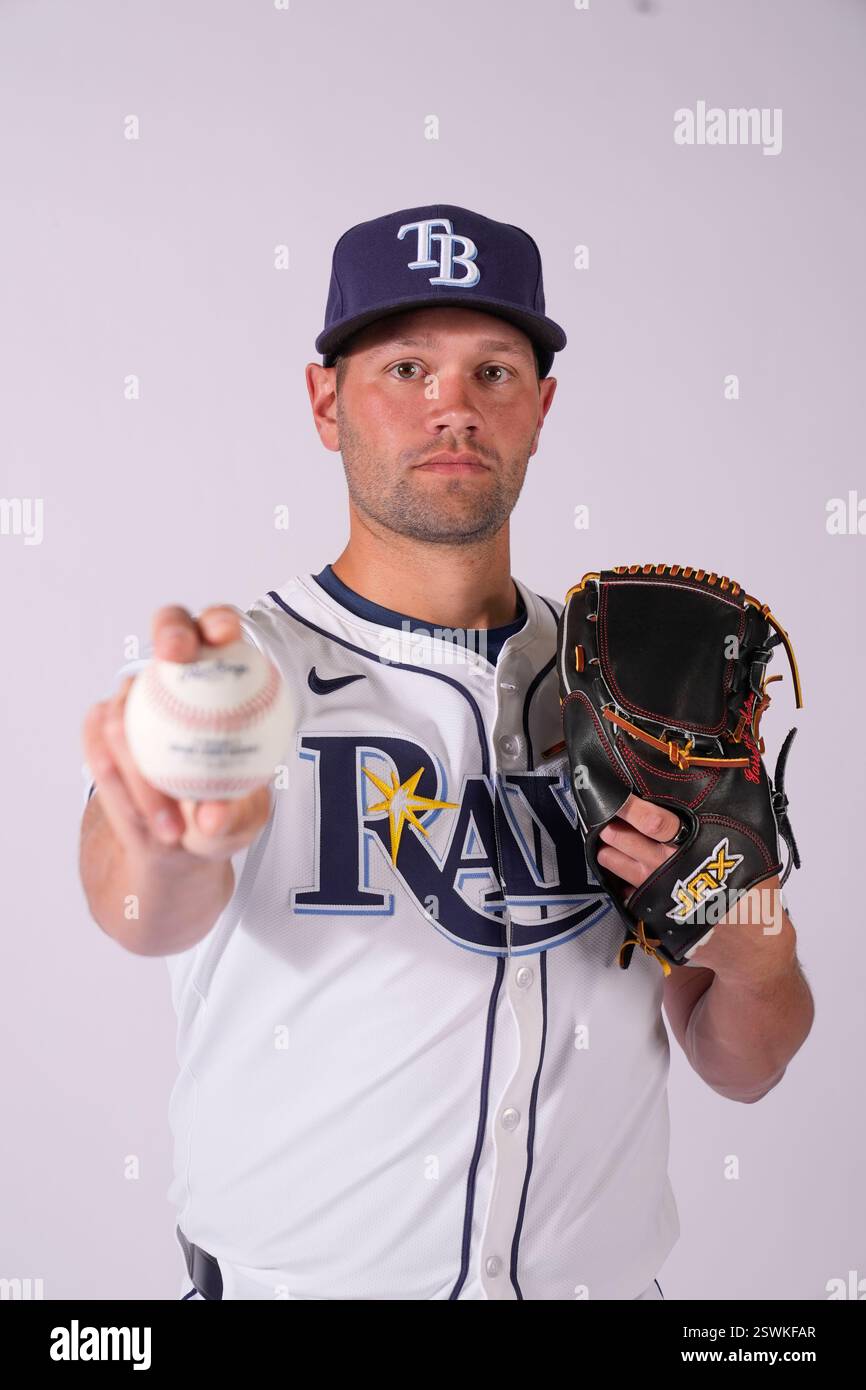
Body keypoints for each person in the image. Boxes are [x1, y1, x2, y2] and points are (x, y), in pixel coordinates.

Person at [79, 203, 812, 1301]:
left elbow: (742, 1064)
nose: (452, 408)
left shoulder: (638, 688)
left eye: (493, 373)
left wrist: (753, 944)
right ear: (326, 403)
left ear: (541, 409)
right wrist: (165, 833)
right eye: (407, 366)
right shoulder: (237, 686)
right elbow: (144, 906)